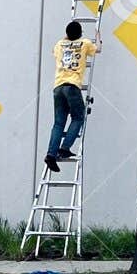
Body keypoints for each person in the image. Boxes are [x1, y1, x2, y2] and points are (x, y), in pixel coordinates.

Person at [45, 20, 98, 171]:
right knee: (78, 117)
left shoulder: (60, 44)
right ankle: (65, 147)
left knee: (58, 123)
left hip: (58, 87)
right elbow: (98, 50)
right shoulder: (85, 43)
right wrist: (98, 37)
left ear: (67, 34)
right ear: (80, 33)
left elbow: (53, 51)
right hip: (72, 86)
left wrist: (67, 38)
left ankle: (50, 154)